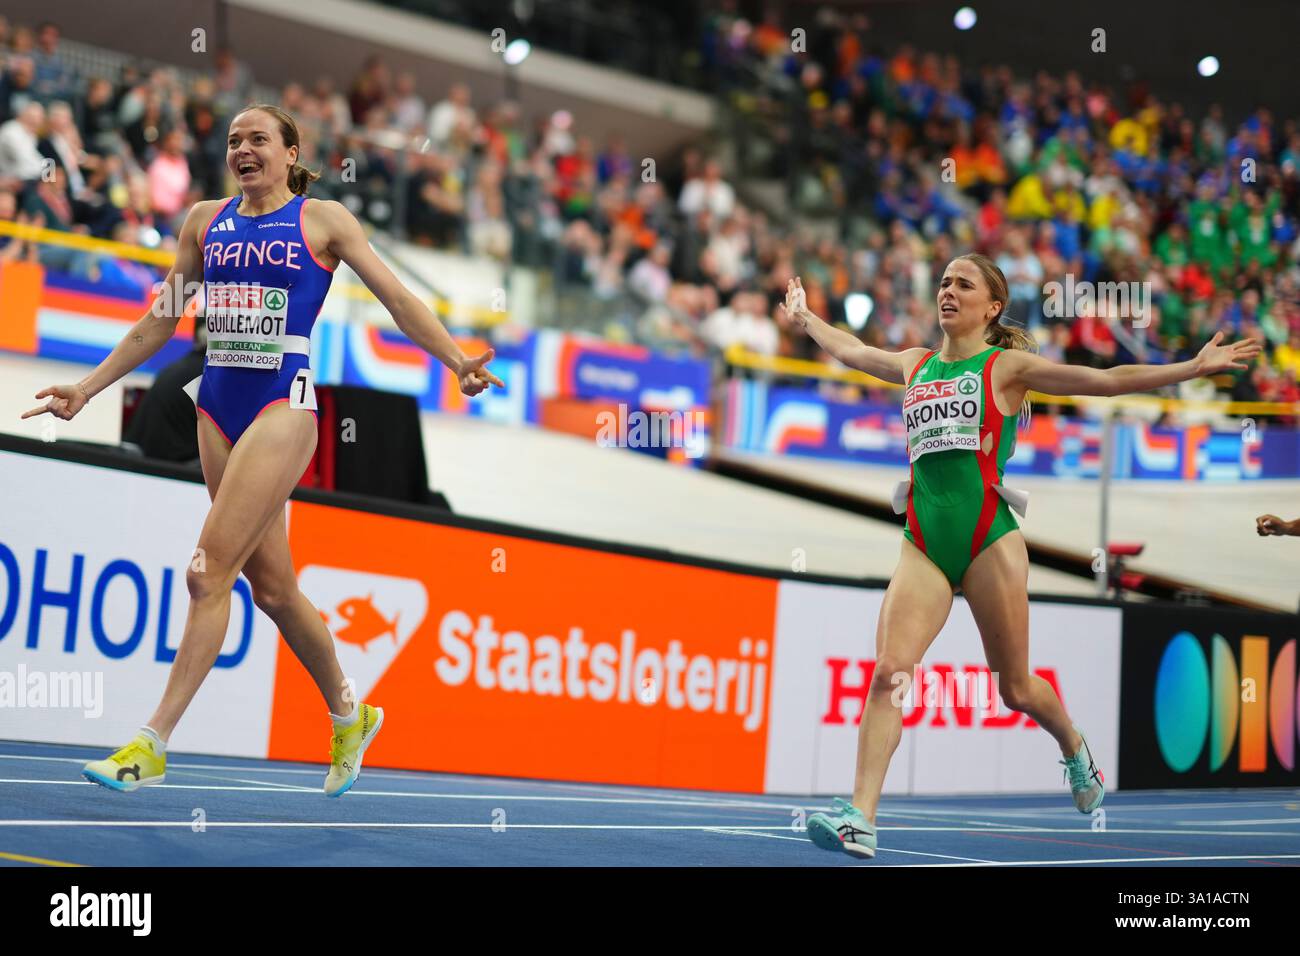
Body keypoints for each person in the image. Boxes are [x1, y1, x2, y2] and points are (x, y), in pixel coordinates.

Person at [21, 103, 503, 796]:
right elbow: (161, 320)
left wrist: (456, 361)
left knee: (205, 574)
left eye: (258, 139)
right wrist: (88, 388)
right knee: (274, 590)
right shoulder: (203, 221)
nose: (242, 149)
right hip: (216, 407)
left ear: (290, 153)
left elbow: (397, 299)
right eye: (233, 141)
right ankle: (351, 712)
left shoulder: (323, 221)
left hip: (283, 408)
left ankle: (152, 743)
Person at [780, 256, 1260, 859]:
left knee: (1016, 689)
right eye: (945, 282)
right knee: (888, 672)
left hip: (990, 541)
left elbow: (1105, 380)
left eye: (964, 284)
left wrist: (1191, 367)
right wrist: (806, 319)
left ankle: (1073, 746)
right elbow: (852, 351)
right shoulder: (914, 364)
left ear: (993, 308)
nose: (948, 291)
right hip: (923, 542)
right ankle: (862, 818)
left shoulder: (1006, 369)